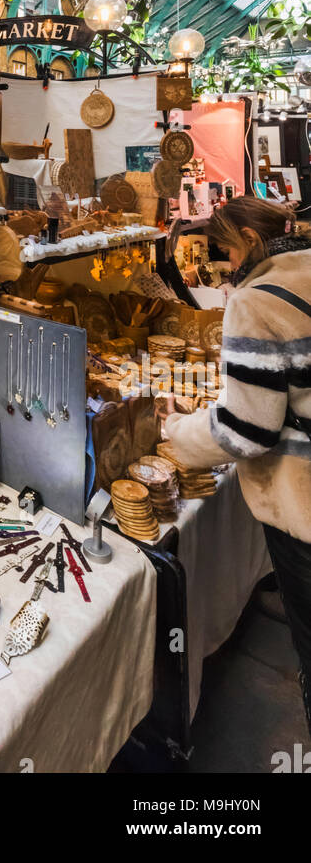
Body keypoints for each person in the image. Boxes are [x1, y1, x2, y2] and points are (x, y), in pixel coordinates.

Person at [160, 195, 311, 731]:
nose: (219, 265)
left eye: (221, 250)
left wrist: (178, 433)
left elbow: (247, 431)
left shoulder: (257, 300)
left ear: (249, 239)